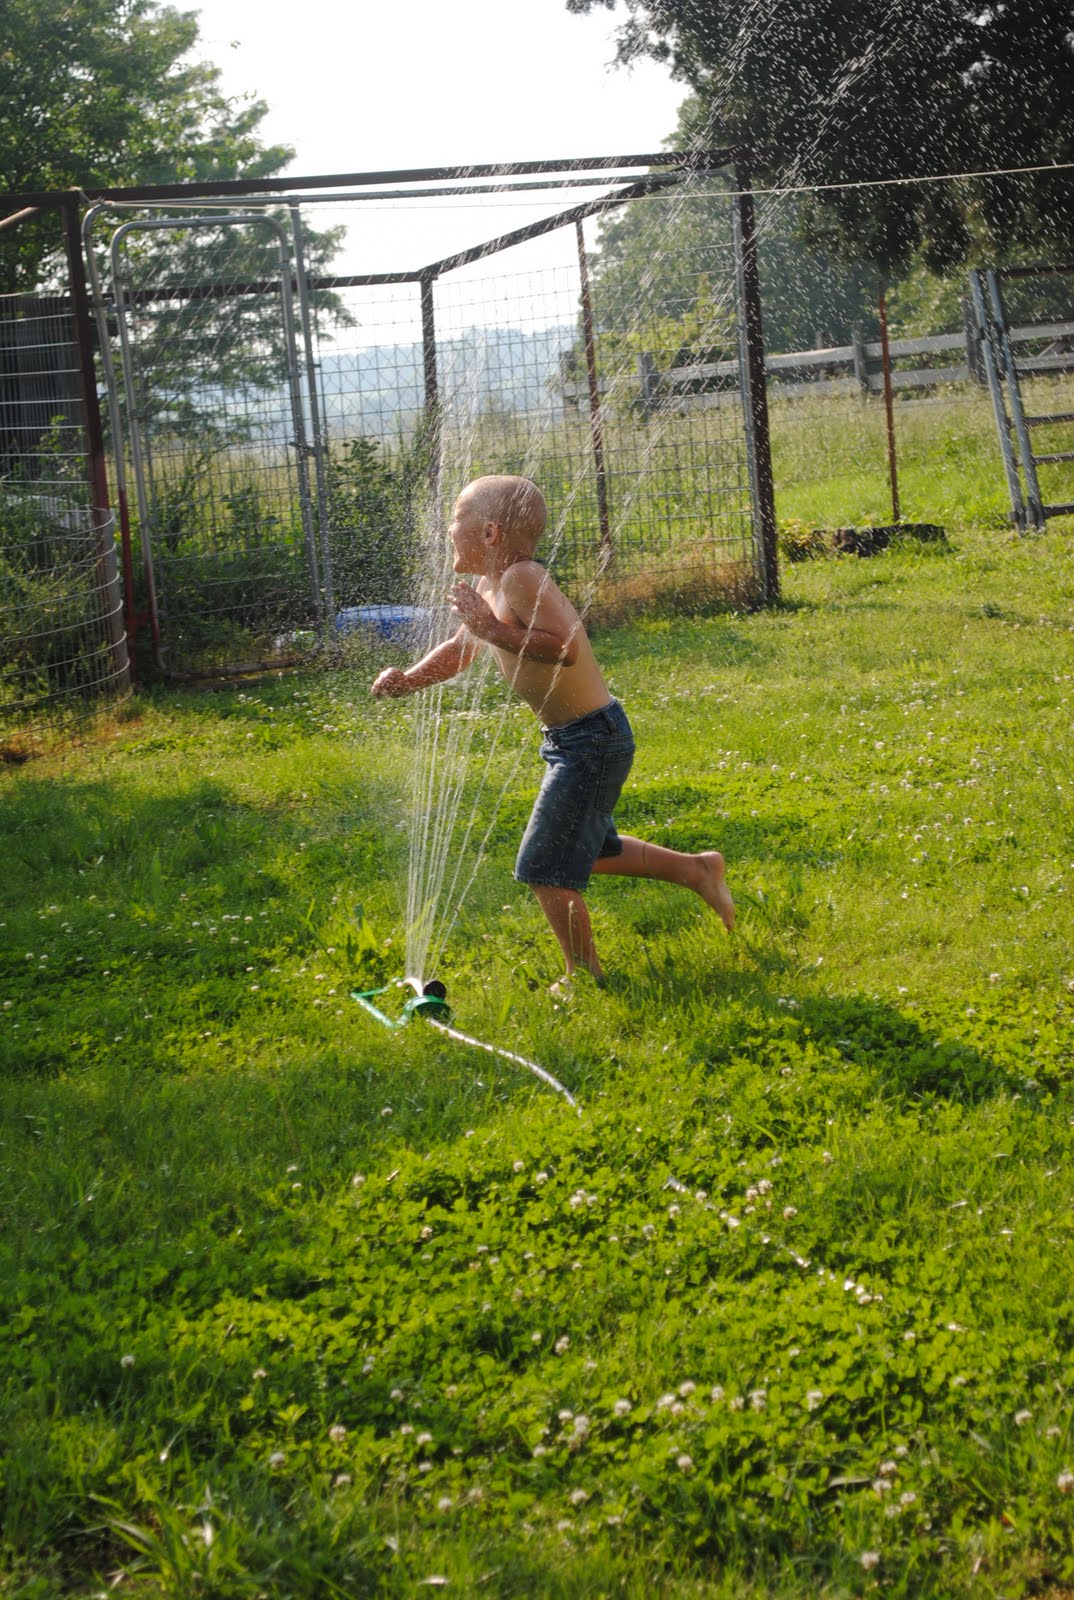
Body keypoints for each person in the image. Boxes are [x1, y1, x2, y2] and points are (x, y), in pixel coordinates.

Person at [371, 474, 734, 992]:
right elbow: (462, 648)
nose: (448, 529)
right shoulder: (490, 584)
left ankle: (584, 977)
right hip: (574, 739)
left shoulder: (522, 577)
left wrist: (493, 629)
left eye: (456, 519)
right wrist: (410, 680)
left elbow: (563, 646)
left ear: (491, 533)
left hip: (592, 738)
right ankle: (697, 870)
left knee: (545, 866)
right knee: (592, 850)